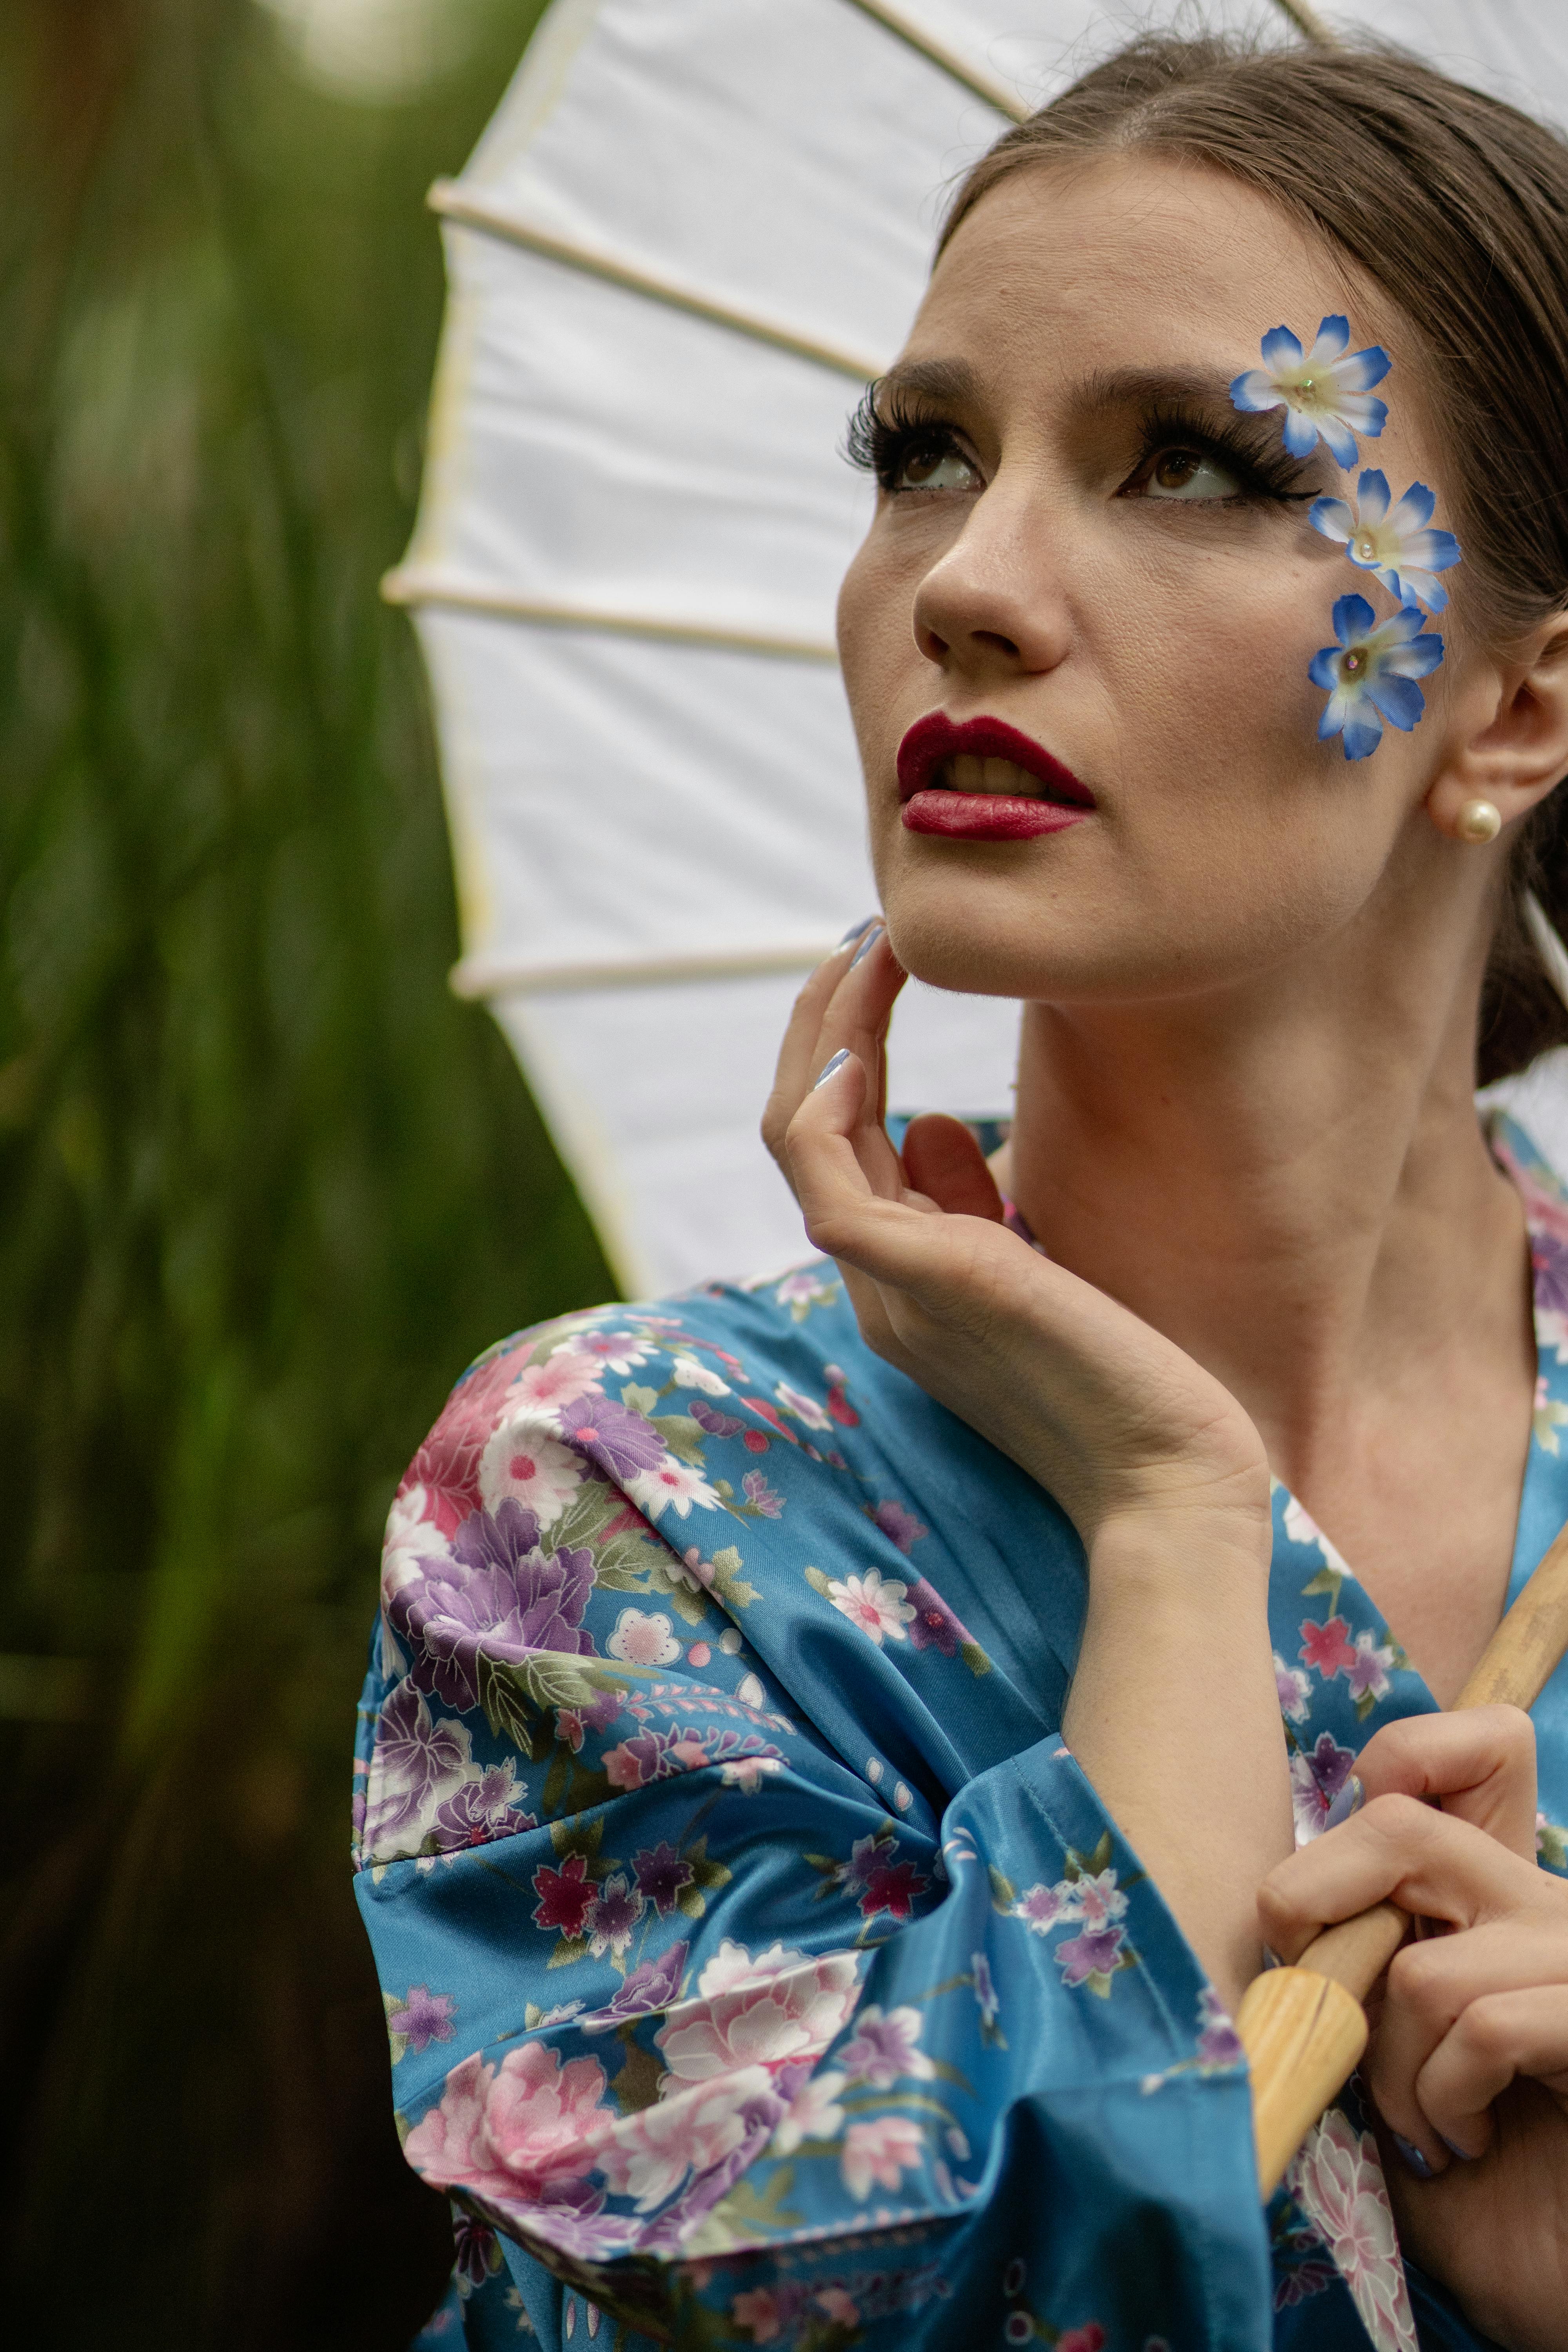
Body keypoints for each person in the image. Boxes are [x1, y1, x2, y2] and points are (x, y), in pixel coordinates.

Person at [353, 32, 1568, 2352]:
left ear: (1511, 709)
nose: (971, 583)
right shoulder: (619, 1500)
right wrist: (1170, 1519)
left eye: (1196, 463)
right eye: (922, 455)